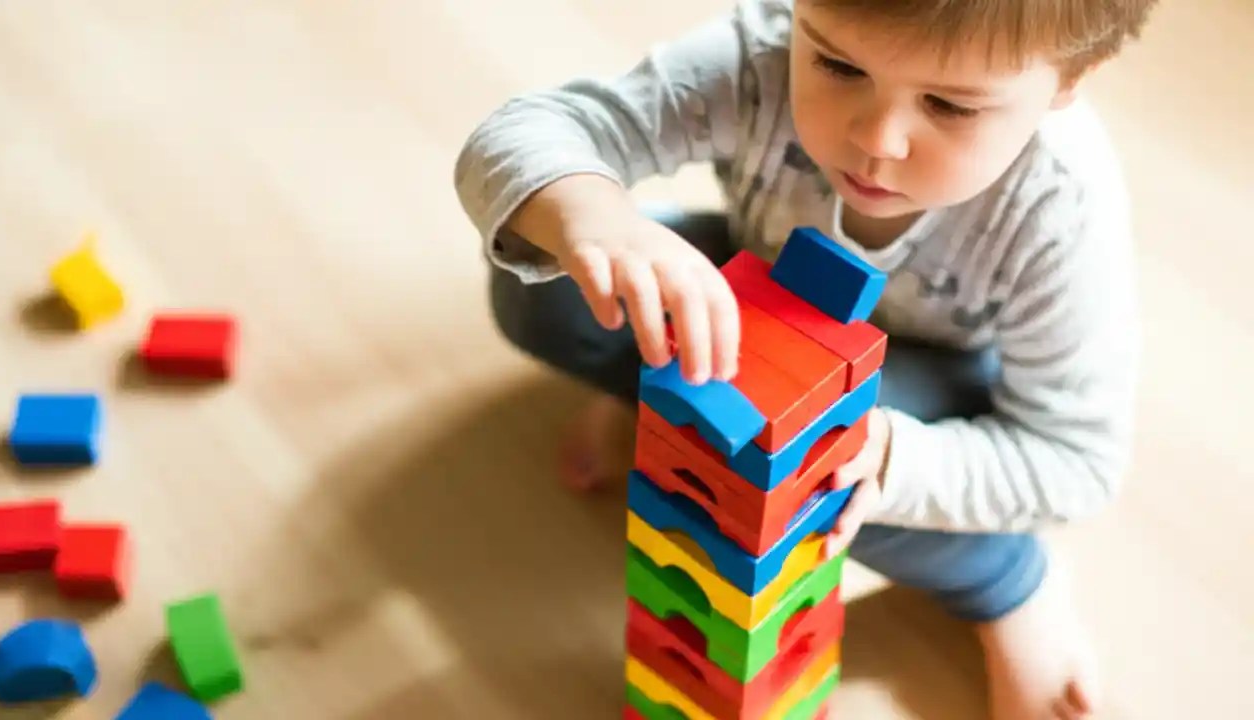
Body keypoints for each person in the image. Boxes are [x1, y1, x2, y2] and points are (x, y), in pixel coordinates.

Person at [453, 0, 1157, 716]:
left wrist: (893, 462)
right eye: (838, 65)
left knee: (821, 462)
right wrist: (593, 220)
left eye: (949, 105)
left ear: (1072, 78)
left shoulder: (1059, 212)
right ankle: (671, 412)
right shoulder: (763, 54)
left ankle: (1008, 583)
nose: (876, 139)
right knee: (547, 283)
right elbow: (523, 134)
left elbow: (1078, 459)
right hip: (760, 301)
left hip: (922, 391)